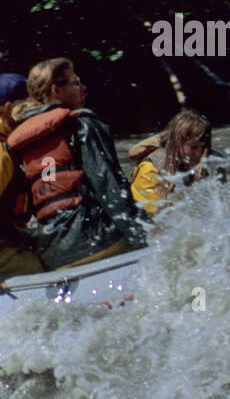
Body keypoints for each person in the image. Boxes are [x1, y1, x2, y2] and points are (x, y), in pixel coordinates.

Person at [6, 59, 149, 270]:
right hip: (96, 240)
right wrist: (146, 240)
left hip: (53, 253)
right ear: (57, 90)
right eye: (76, 82)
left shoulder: (18, 142)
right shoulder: (82, 124)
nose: (84, 87)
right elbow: (111, 191)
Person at [130, 108, 214, 214]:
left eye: (204, 147)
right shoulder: (150, 171)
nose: (199, 154)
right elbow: (153, 220)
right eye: (193, 147)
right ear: (177, 144)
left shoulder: (209, 162)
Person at [0, 73, 43, 279]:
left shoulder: (10, 148)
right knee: (34, 268)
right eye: (28, 106)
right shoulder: (2, 155)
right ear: (9, 109)